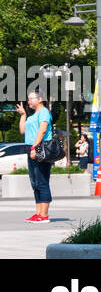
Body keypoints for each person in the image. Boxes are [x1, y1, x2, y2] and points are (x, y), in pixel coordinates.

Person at [16, 90, 54, 224]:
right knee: (35, 182)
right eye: (28, 99)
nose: (28, 101)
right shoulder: (33, 115)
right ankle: (38, 213)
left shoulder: (43, 112)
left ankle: (44, 215)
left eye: (31, 99)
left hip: (40, 148)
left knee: (42, 180)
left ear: (40, 99)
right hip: (31, 148)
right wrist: (23, 115)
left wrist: (34, 148)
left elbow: (43, 130)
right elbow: (23, 131)